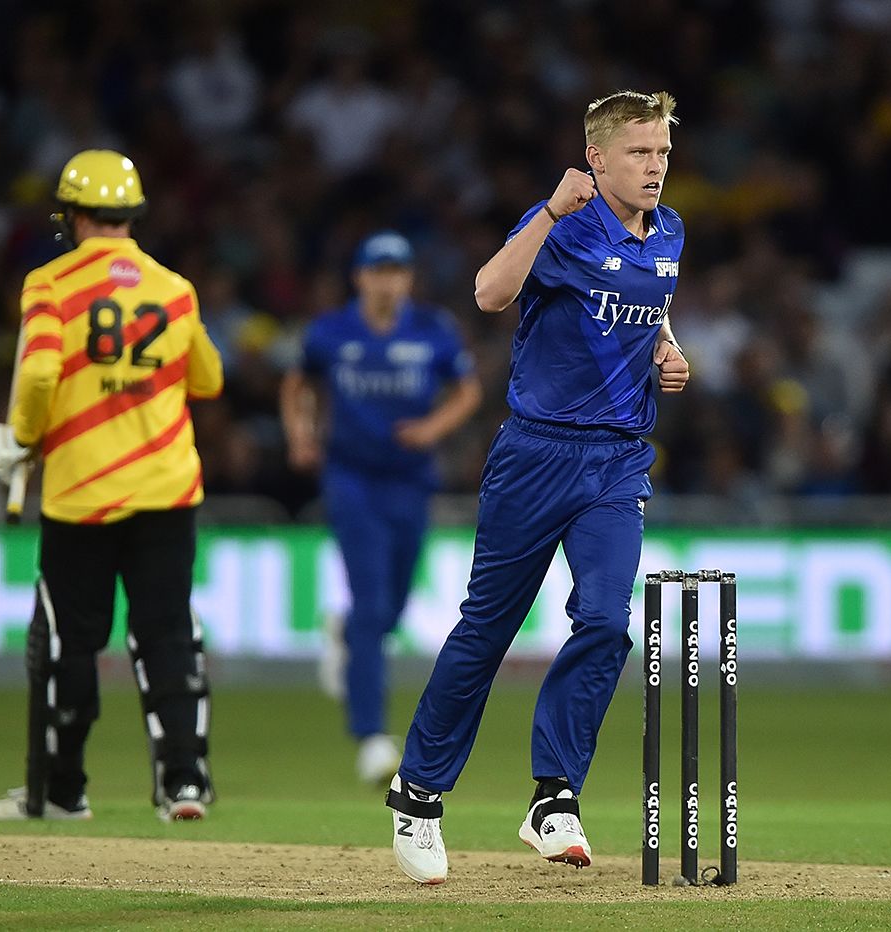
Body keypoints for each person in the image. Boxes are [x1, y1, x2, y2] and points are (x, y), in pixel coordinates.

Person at [385, 91, 690, 884]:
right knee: (487, 629)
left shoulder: (671, 232)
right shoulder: (562, 222)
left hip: (619, 461)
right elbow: (489, 293)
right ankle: (418, 795)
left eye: (660, 152)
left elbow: (647, 305)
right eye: (638, 153)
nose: (654, 166)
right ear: (596, 157)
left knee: (603, 620)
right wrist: (549, 214)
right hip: (536, 453)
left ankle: (554, 796)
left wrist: (668, 348)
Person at [0, 149, 224, 823]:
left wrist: (19, 439)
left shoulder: (50, 285)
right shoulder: (174, 288)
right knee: (167, 635)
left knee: (71, 640)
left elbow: (34, 378)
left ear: (72, 215)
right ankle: (184, 781)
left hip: (81, 493)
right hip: (166, 488)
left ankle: (62, 790)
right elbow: (206, 378)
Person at [280, 231, 481, 785]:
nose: (389, 281)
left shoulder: (433, 330)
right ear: (360, 278)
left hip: (411, 481)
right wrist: (300, 435)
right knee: (372, 603)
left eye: (398, 271)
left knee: (389, 607)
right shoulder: (331, 332)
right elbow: (297, 380)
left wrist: (431, 429)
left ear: (408, 279)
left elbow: (468, 391)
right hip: (351, 478)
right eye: (379, 270)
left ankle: (345, 635)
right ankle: (370, 735)